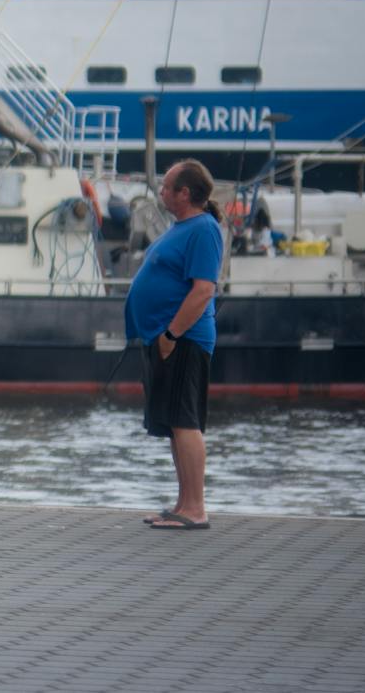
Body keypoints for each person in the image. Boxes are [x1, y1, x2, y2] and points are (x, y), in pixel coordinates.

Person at [125, 160, 224, 530]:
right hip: (166, 339)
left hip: (183, 340)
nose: (161, 192)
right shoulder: (183, 228)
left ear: (185, 194)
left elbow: (203, 290)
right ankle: (183, 504)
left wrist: (171, 335)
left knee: (185, 421)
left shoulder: (203, 230)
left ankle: (196, 509)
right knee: (172, 423)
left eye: (167, 187)